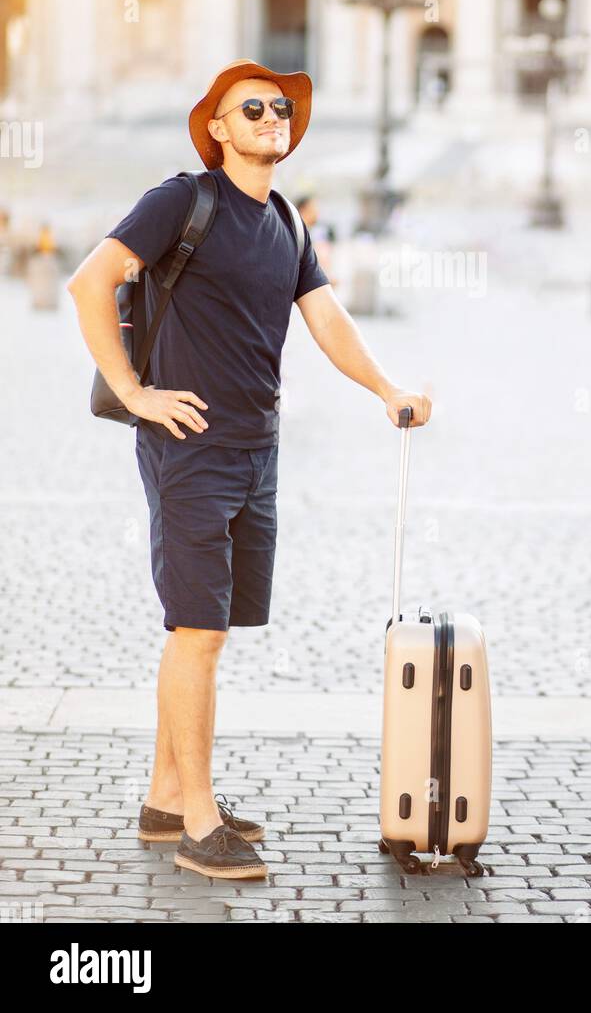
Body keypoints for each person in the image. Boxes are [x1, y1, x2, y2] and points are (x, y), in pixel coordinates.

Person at [66, 58, 431, 881]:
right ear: (219, 128)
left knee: (209, 632)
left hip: (257, 450)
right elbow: (91, 282)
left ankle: (167, 798)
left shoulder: (289, 225)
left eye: (282, 108)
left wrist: (386, 388)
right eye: (253, 107)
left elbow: (327, 317)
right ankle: (198, 823)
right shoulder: (181, 203)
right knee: (195, 630)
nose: (273, 116)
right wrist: (134, 391)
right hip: (188, 448)